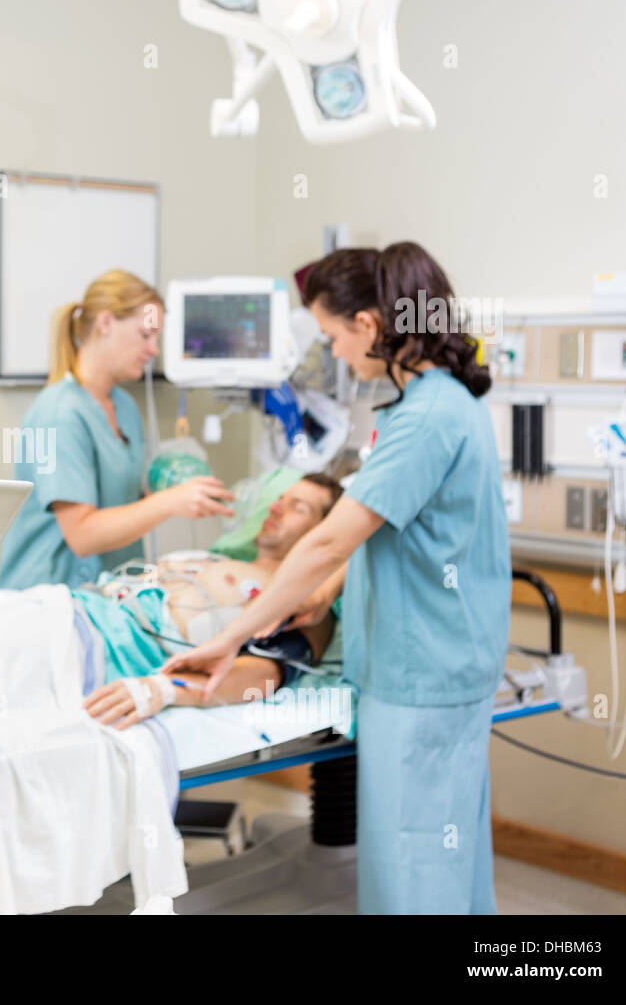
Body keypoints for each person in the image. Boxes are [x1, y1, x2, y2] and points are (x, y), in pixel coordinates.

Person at [164, 242, 510, 915]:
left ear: (371, 327)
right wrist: (324, 590)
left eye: (332, 337)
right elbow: (386, 538)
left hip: (419, 679)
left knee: (411, 868)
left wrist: (230, 637)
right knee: (450, 856)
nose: (337, 355)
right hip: (454, 663)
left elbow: (328, 540)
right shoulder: (454, 403)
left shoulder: (424, 419)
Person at [0, 270, 233, 589]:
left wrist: (176, 482)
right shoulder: (58, 414)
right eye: (146, 335)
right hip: (49, 600)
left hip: (110, 592)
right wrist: (170, 502)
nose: (154, 350)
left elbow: (128, 492)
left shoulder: (123, 406)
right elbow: (82, 535)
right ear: (106, 323)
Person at [79, 474, 343, 728]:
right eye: (280, 499)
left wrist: (164, 688)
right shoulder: (218, 558)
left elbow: (268, 672)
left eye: (298, 508)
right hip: (80, 605)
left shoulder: (306, 602)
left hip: (106, 643)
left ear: (323, 532)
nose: (274, 508)